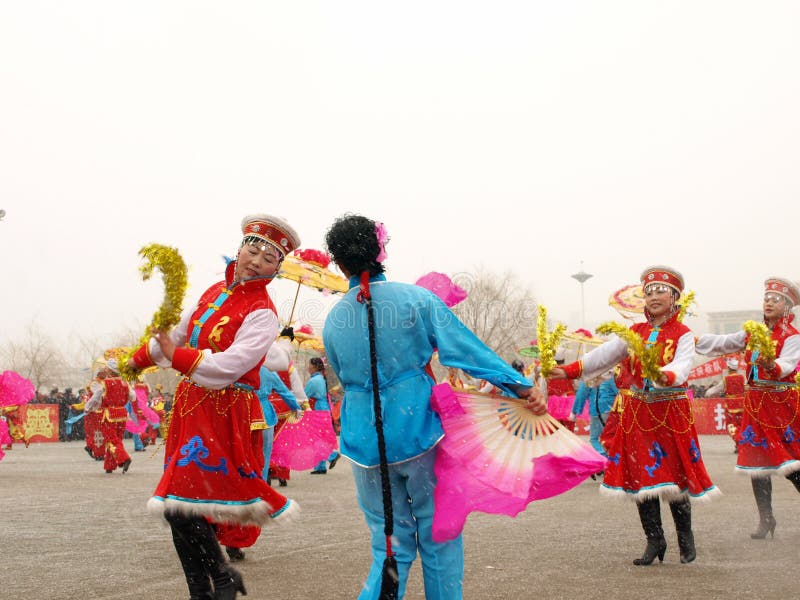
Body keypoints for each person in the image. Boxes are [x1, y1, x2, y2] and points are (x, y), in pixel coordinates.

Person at [322, 214, 546, 600]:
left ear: (338, 262)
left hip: (363, 444)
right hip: (419, 432)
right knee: (439, 531)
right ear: (380, 251)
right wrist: (521, 386)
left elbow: (343, 375)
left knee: (388, 543)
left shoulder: (333, 320)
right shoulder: (416, 299)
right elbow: (465, 350)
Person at [127, 213, 301, 600]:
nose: (256, 260)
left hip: (225, 409)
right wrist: (135, 361)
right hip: (191, 408)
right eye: (252, 249)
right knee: (180, 503)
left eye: (268, 258)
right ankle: (208, 586)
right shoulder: (211, 293)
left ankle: (217, 580)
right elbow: (174, 335)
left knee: (180, 504)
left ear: (277, 268)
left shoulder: (263, 313)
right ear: (239, 249)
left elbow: (229, 367)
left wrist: (177, 356)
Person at [550, 265, 718, 566]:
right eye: (649, 291)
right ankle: (654, 540)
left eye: (661, 291)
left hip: (670, 413)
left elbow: (682, 364)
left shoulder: (682, 333)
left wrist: (664, 375)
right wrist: (567, 370)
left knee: (675, 474)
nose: (653, 296)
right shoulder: (634, 333)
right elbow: (602, 356)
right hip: (639, 413)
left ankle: (685, 536)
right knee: (642, 475)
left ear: (675, 297)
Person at [696, 277, 800, 540]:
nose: (768, 302)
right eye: (766, 298)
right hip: (755, 404)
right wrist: (688, 341)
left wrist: (770, 364)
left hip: (780, 405)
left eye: (775, 299)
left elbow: (786, 366)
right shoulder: (754, 333)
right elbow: (724, 343)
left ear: (788, 306)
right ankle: (766, 518)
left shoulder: (792, 336)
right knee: (757, 465)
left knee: (791, 463)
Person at [84, 358, 134, 474]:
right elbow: (133, 397)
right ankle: (109, 466)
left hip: (109, 414)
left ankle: (124, 458)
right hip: (122, 414)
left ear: (110, 370)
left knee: (110, 440)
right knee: (117, 440)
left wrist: (87, 407)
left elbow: (96, 397)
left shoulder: (104, 383)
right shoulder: (125, 382)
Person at [569, 369, 618, 457]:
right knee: (612, 437)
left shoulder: (590, 375)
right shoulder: (611, 373)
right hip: (613, 410)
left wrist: (574, 412)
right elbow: (619, 392)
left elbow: (581, 394)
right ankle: (614, 459)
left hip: (598, 410)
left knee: (594, 439)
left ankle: (605, 459)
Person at [306, 357, 340, 474]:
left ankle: (332, 455)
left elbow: (304, 395)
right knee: (320, 437)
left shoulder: (313, 381)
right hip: (323, 409)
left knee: (316, 438)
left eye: (309, 365)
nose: (308, 367)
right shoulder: (320, 378)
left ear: (315, 367)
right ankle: (320, 467)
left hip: (318, 410)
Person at [704, 358, 746, 452]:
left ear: (729, 368)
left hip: (731, 406)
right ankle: (740, 444)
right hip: (743, 405)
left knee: (732, 425)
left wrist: (707, 393)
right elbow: (747, 388)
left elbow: (716, 389)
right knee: (742, 424)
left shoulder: (726, 379)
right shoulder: (742, 377)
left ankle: (740, 441)